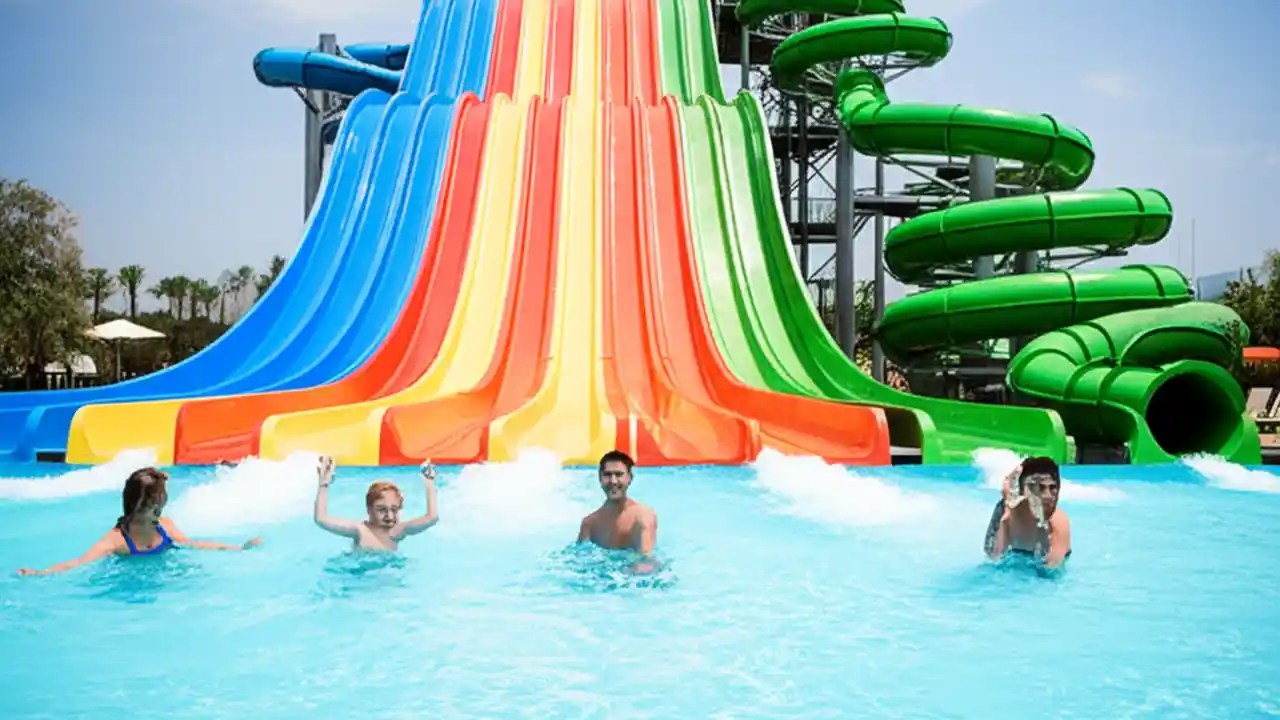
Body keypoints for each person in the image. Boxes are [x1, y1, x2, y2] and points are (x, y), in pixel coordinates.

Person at [16, 467, 263, 576]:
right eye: (151, 505)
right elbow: (80, 562)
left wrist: (239, 548)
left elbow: (193, 544)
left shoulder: (165, 526)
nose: (157, 510)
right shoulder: (117, 540)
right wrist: (40, 573)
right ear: (134, 506)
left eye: (159, 504)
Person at [312, 455, 438, 552]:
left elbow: (432, 518)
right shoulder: (360, 531)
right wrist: (324, 484)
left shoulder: (398, 531)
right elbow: (321, 519)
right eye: (382, 510)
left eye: (394, 509)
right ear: (369, 510)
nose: (389, 515)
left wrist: (429, 483)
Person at [983, 456, 1071, 569]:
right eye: (1040, 488)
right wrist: (1007, 514)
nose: (1048, 496)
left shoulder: (1059, 523)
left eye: (1053, 487)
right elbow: (995, 562)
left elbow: (1051, 574)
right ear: (1022, 492)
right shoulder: (1008, 514)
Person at [577, 450, 658, 570]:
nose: (613, 481)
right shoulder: (589, 524)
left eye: (619, 474)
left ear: (630, 478)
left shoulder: (642, 517)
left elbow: (646, 561)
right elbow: (579, 563)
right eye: (607, 475)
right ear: (600, 478)